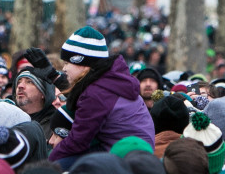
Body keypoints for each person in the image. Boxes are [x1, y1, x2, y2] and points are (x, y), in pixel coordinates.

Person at [47, 28, 154, 166]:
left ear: (83, 64)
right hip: (137, 150)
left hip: (127, 158)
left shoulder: (96, 93)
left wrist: (48, 164)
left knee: (61, 164)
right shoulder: (108, 82)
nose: (64, 69)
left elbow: (78, 141)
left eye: (67, 63)